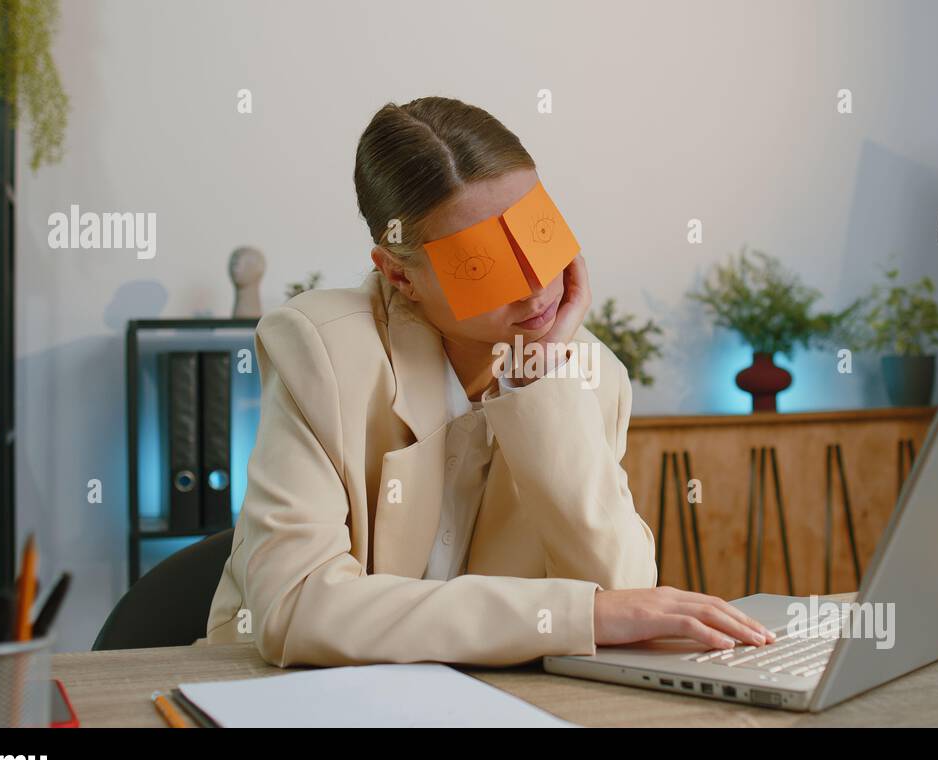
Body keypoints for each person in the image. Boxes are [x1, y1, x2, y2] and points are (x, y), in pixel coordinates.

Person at [206, 96, 773, 667]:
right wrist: (579, 616)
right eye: (482, 265)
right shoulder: (322, 349)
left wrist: (539, 383)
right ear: (400, 275)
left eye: (540, 234)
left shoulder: (591, 375)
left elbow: (621, 593)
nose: (535, 287)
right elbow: (297, 608)